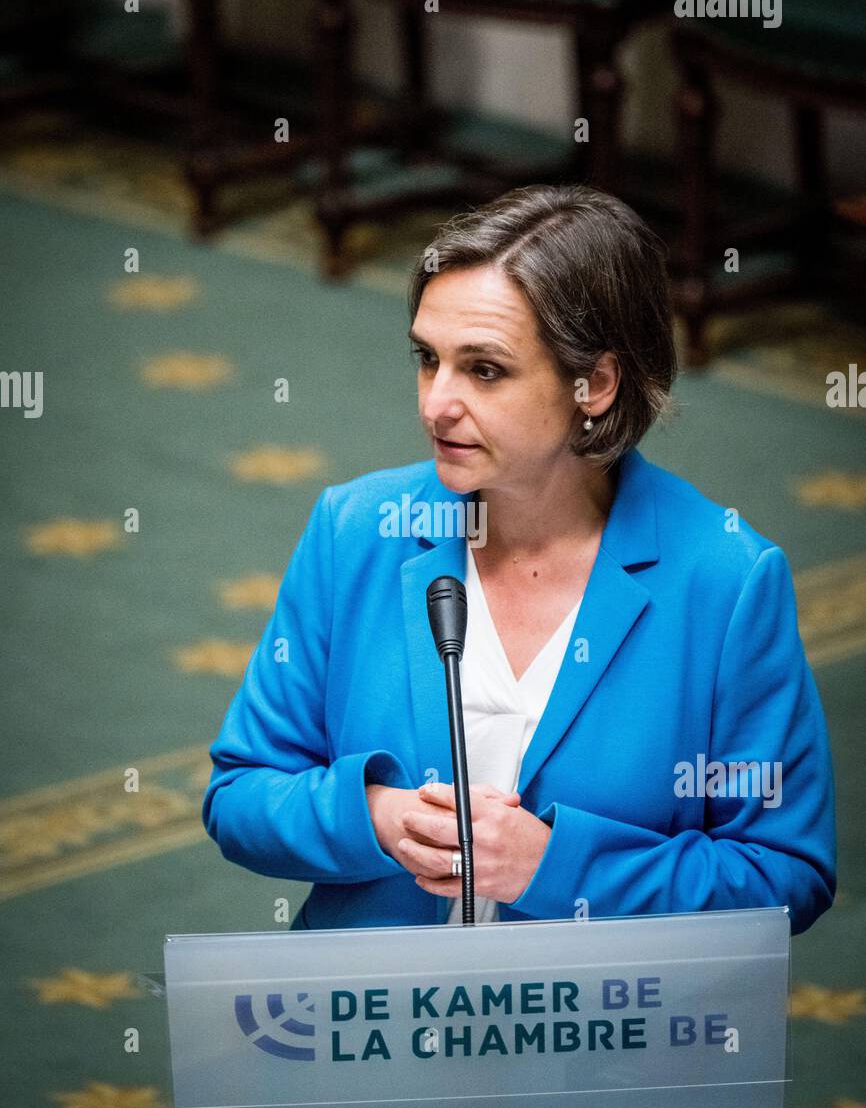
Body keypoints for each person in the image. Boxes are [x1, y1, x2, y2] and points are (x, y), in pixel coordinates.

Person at [203, 183, 836, 935]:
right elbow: (240, 793)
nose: (436, 403)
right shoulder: (359, 530)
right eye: (427, 358)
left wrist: (560, 869)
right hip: (375, 1032)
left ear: (594, 384)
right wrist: (375, 818)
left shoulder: (726, 582)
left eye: (485, 369)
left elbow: (782, 876)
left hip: (602, 1040)